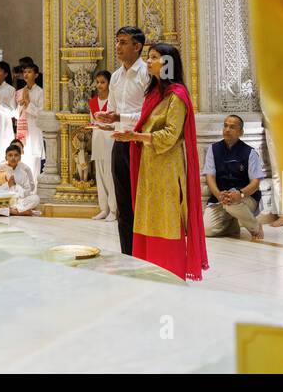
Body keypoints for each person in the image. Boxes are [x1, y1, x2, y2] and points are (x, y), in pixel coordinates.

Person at [111, 42, 208, 281]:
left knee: (166, 219)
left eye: (154, 57)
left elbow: (170, 136)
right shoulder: (154, 93)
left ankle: (169, 272)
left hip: (167, 168)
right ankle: (147, 269)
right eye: (149, 57)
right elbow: (144, 123)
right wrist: (117, 125)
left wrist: (135, 136)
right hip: (149, 167)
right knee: (147, 217)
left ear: (168, 63)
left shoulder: (177, 95)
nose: (149, 62)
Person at [99, 27, 150, 254]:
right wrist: (106, 119)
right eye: (117, 42)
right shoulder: (117, 76)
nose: (118, 47)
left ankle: (146, 251)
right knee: (123, 203)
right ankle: (127, 253)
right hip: (120, 144)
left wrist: (121, 118)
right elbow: (112, 110)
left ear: (137, 46)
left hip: (141, 143)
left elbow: (151, 115)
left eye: (123, 42)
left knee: (142, 202)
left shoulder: (147, 74)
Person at [202, 115, 264, 241]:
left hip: (245, 198)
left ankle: (255, 227)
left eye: (232, 127)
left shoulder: (250, 152)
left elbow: (255, 183)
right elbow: (210, 177)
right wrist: (218, 194)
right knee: (206, 230)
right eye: (225, 126)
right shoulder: (213, 150)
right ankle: (232, 225)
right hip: (221, 198)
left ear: (241, 132)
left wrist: (240, 194)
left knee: (232, 203)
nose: (227, 129)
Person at [87, 69, 116, 221]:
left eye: (103, 82)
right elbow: (92, 121)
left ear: (109, 84)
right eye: (97, 82)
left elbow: (116, 122)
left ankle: (113, 209)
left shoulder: (113, 100)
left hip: (110, 138)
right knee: (100, 174)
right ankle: (103, 208)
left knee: (110, 175)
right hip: (98, 139)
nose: (99, 85)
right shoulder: (92, 101)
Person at [14, 62, 48, 179]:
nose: (26, 74)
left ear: (36, 75)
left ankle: (33, 193)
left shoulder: (40, 92)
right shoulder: (19, 92)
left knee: (33, 165)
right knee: (22, 163)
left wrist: (28, 103)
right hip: (22, 131)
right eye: (24, 72)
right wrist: (20, 105)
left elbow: (41, 113)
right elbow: (15, 114)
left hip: (34, 131)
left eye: (29, 72)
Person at [0, 141, 40, 216]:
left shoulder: (23, 171)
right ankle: (19, 212)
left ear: (20, 157)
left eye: (16, 155)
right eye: (10, 155)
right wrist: (8, 185)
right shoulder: (0, 170)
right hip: (5, 200)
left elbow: (28, 191)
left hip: (19, 201)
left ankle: (11, 211)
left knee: (36, 198)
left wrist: (16, 187)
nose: (13, 158)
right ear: (6, 157)